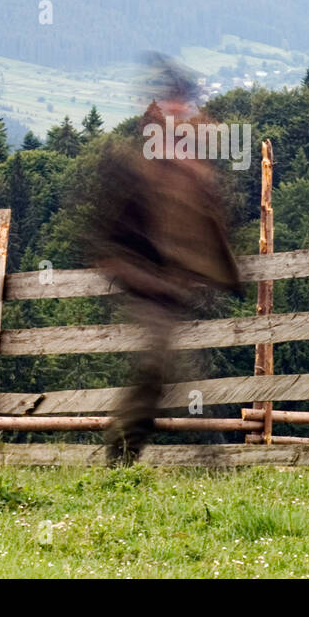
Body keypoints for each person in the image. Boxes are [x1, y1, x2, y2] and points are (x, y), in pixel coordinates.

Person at [93, 57, 241, 464]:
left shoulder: (192, 167)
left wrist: (210, 271)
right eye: (171, 103)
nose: (178, 111)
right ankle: (124, 458)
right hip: (145, 283)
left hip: (175, 288)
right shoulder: (140, 167)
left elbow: (208, 221)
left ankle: (209, 459)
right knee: (157, 368)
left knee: (176, 373)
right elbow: (111, 230)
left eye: (182, 103)